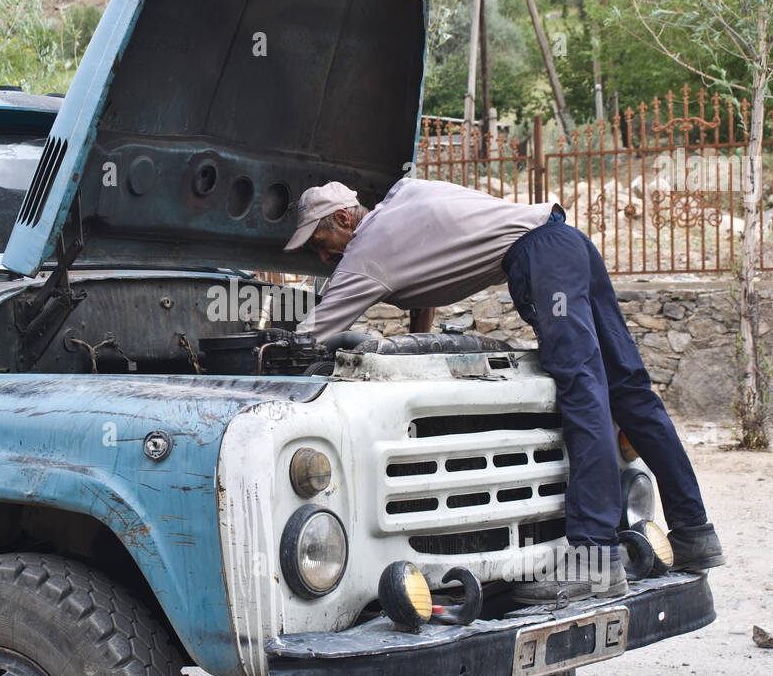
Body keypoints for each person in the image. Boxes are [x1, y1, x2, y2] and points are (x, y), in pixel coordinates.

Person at [285, 178, 724, 605]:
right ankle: (694, 532)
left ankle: (594, 556)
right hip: (570, 245)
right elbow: (426, 276)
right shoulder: (403, 199)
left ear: (344, 218)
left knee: (582, 390)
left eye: (319, 243)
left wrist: (273, 349)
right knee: (629, 389)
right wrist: (415, 341)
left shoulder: (366, 251)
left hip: (542, 260)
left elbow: (317, 331)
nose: (323, 257)